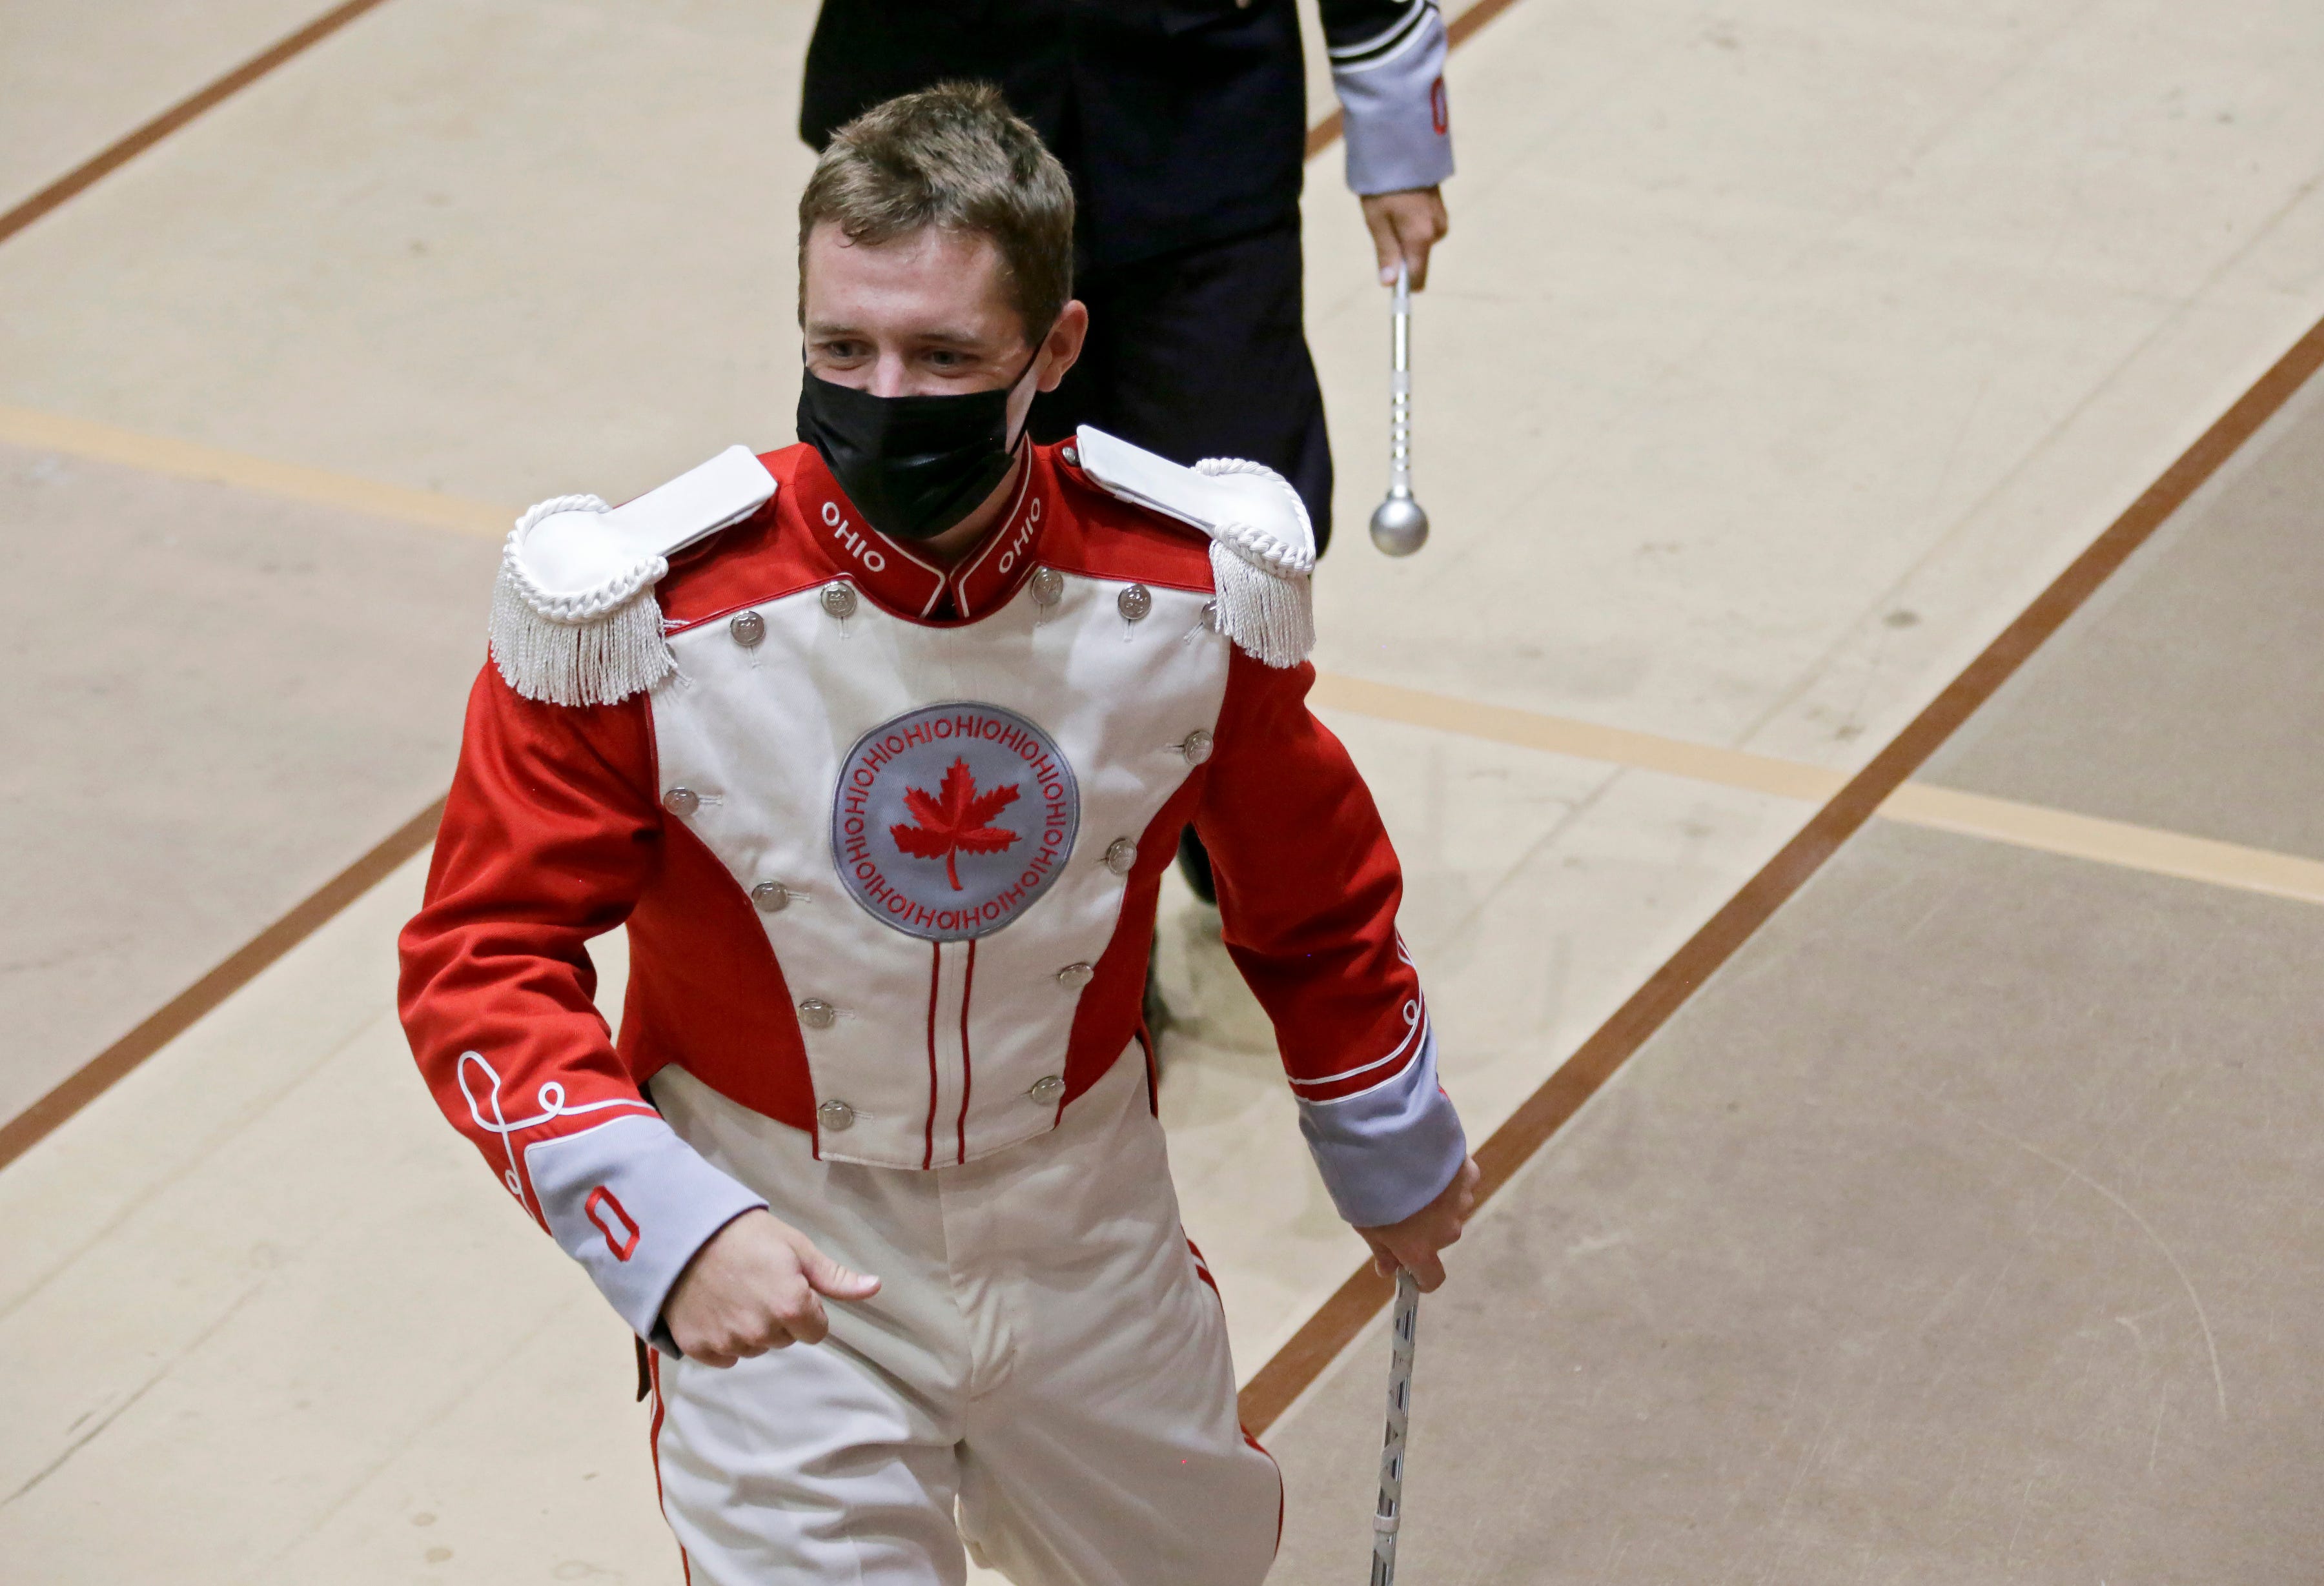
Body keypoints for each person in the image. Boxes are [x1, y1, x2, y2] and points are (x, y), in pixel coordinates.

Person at [398, 85, 1476, 1586]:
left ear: (1058, 350)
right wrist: (663, 1224)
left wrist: (1384, 1130)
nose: (886, 394)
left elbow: (1316, 898)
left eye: (945, 355)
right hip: (777, 1242)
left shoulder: (1189, 591)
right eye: (842, 348)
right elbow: (481, 958)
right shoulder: (633, 619)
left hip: (1088, 1225)